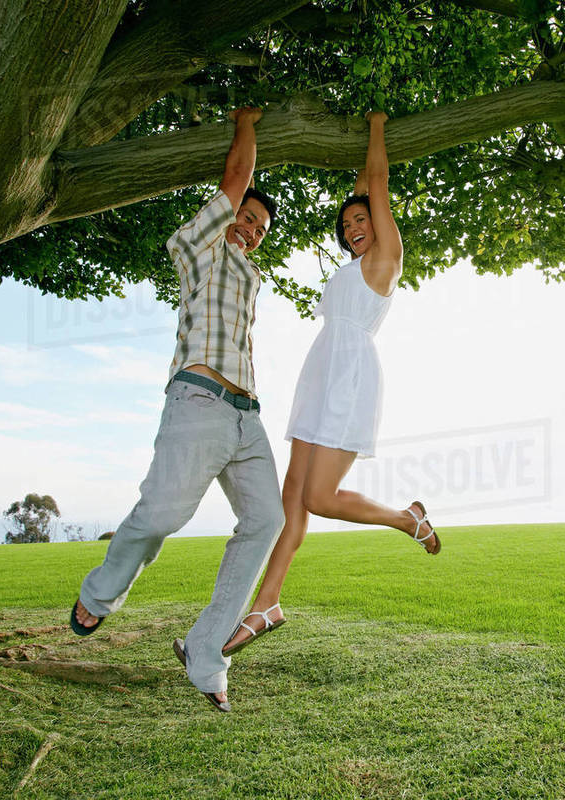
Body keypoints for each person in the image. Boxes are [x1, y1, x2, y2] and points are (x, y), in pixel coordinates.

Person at [69, 107, 284, 713]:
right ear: (223, 214)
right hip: (197, 400)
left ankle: (205, 648)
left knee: (267, 521)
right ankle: (103, 591)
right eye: (246, 216)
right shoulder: (197, 250)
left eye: (261, 227)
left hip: (248, 416)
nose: (251, 228)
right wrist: (247, 122)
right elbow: (237, 175)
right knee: (162, 515)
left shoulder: (249, 278)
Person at [220, 111, 441, 657]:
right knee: (292, 497)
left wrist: (376, 127)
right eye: (345, 226)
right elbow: (363, 189)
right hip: (320, 374)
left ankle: (406, 518)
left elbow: (376, 183)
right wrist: (357, 189)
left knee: (319, 497)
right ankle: (267, 603)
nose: (351, 228)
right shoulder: (352, 266)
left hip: (350, 377)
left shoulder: (387, 259)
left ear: (380, 223)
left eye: (360, 220)